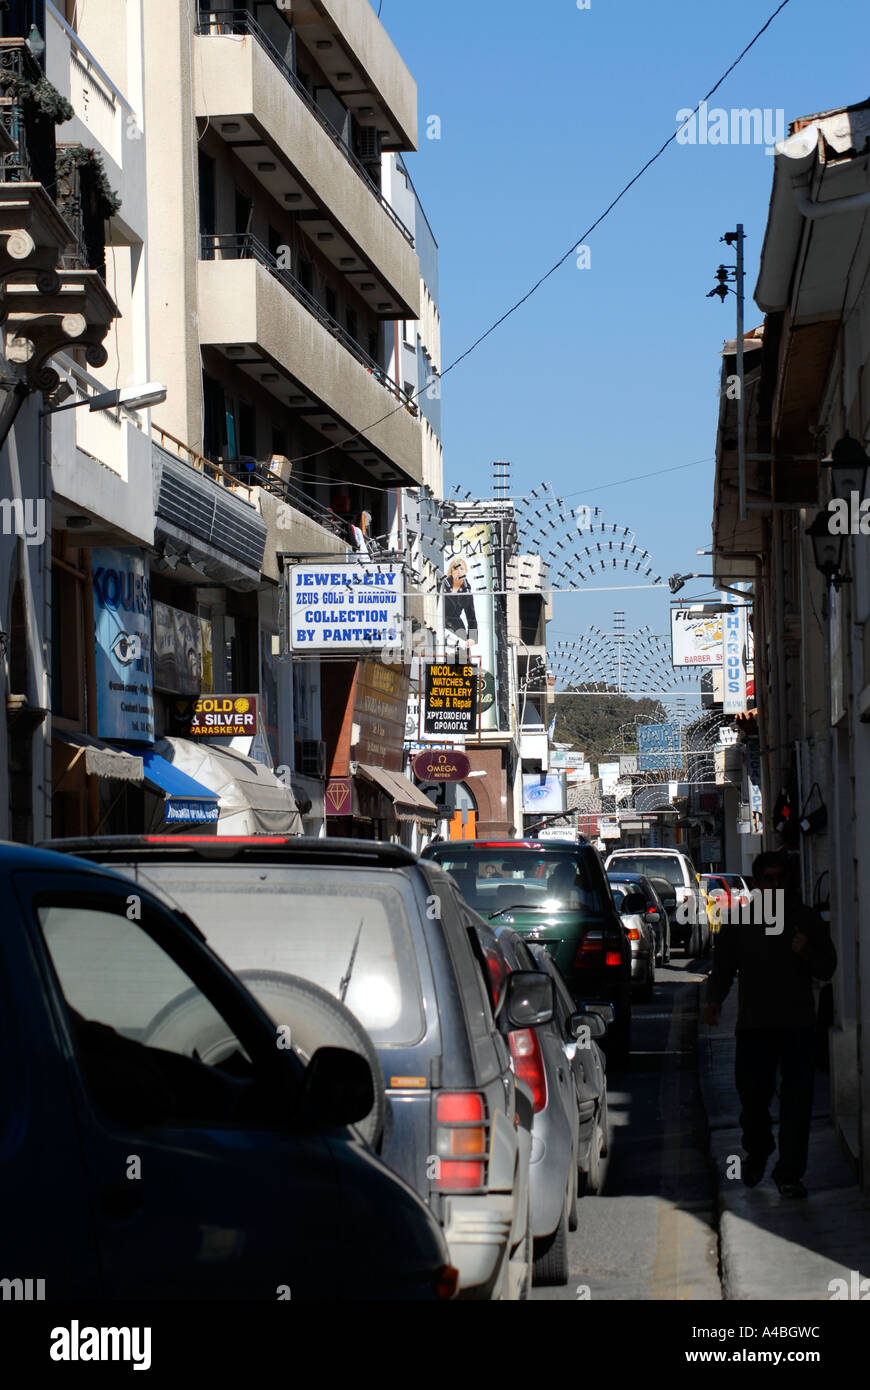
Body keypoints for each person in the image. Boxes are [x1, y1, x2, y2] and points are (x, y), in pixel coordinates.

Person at [704, 850, 836, 1199]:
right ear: (757, 884)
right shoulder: (739, 922)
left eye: (780, 878)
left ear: (787, 881)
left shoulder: (805, 920)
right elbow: (722, 969)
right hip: (754, 1027)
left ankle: (790, 1173)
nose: (775, 884)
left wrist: (806, 951)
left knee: (797, 1104)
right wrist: (714, 1000)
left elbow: (828, 968)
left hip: (797, 1026)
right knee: (752, 1100)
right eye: (768, 879)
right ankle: (758, 1150)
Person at [441, 558, 478, 650]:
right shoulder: (442, 586)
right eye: (455, 568)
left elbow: (471, 616)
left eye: (461, 569)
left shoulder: (467, 592)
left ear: (465, 572)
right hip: (441, 626)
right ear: (451, 571)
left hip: (457, 629)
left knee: (460, 660)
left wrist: (472, 637)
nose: (458, 571)